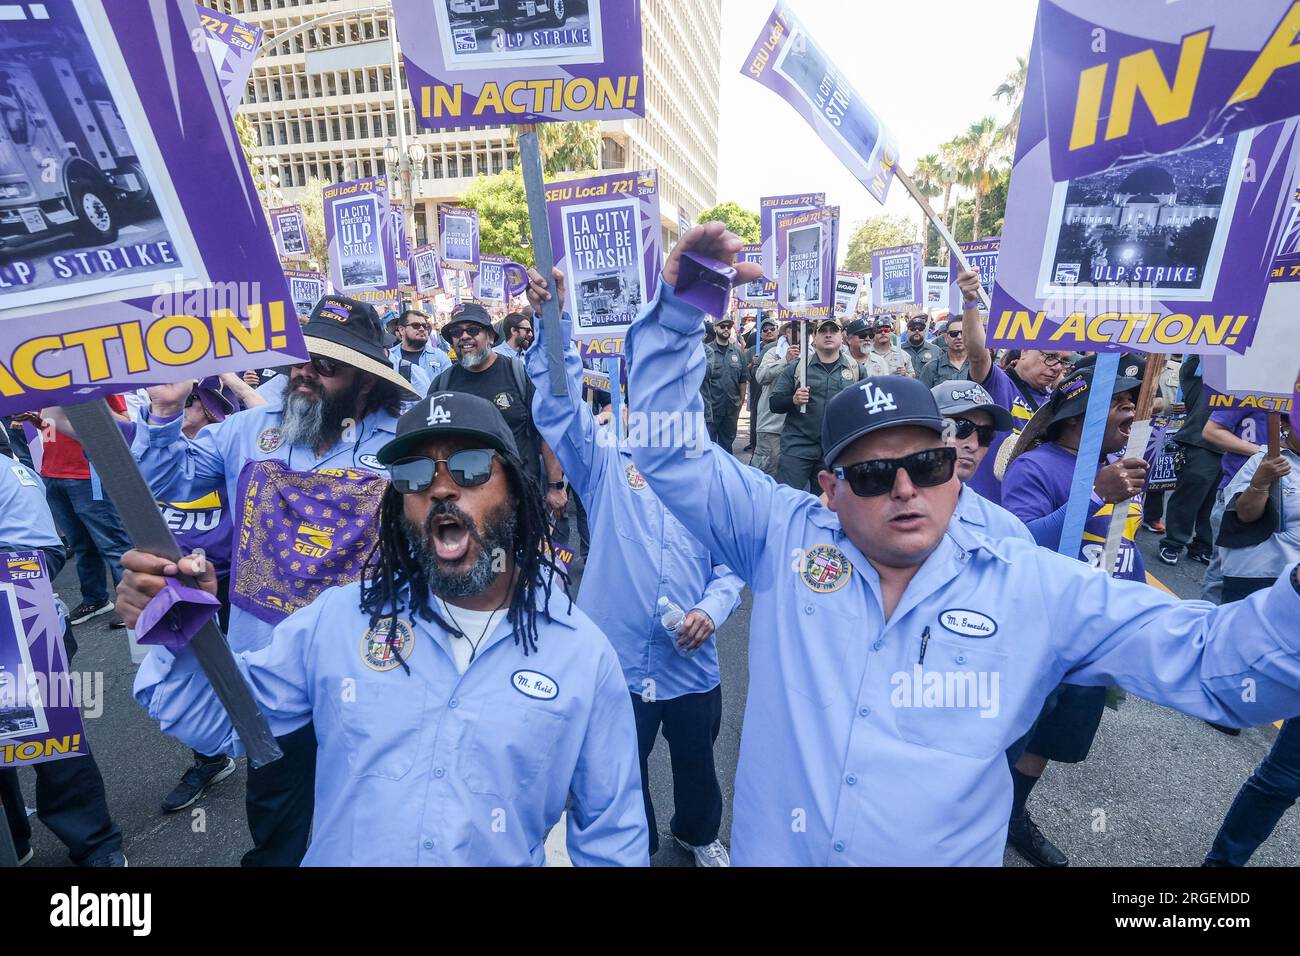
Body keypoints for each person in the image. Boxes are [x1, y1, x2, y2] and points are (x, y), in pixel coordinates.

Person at [624, 222, 1300, 867]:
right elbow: (668, 451)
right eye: (870, 474)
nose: (904, 490)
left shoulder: (1026, 580)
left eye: (925, 466)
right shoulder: (782, 533)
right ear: (829, 488)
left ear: (954, 470)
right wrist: (680, 313)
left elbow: (1222, 672)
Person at [119, 391, 648, 866]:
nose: (441, 488)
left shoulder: (581, 655)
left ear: (514, 487)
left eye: (468, 466)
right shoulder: (339, 620)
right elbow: (217, 721)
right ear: (399, 505)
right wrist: (183, 631)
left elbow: (612, 836)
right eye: (414, 474)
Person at [128, 295, 420, 866]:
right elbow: (165, 481)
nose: (304, 373)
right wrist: (164, 412)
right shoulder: (249, 430)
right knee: (278, 818)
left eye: (326, 365)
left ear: (366, 381)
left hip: (369, 670)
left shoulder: (406, 443)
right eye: (298, 357)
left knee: (374, 815)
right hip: (263, 669)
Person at [523, 267, 743, 865]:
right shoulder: (605, 459)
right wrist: (554, 324)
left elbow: (735, 562)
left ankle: (697, 835)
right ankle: (634, 847)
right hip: (617, 660)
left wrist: (711, 608)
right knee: (621, 770)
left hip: (692, 663)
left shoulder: (719, 474)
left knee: (698, 764)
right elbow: (560, 411)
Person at [999, 366, 1148, 867]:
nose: (1132, 412)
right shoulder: (1037, 466)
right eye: (1120, 403)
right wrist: (1094, 494)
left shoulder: (1120, 464)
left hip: (1094, 635)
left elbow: (1120, 543)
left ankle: (1013, 816)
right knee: (1010, 733)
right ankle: (975, 821)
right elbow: (1018, 543)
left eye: (1133, 402)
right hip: (1040, 633)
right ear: (1077, 417)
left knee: (1049, 737)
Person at [0, 457, 125, 867]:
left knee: (50, 743)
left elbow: (39, 553)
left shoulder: (6, 474)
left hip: (19, 629)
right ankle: (13, 840)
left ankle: (95, 844)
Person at [1202, 427, 1299, 865]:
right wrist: (1262, 481)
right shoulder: (1269, 457)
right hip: (1272, 588)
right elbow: (1240, 518)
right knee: (1281, 779)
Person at [429, 303, 568, 521]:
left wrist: (555, 485)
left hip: (519, 495)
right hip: (464, 501)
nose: (464, 337)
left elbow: (546, 432)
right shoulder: (442, 385)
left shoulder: (519, 374)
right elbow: (432, 445)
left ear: (491, 337)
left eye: (473, 330)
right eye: (456, 333)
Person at [953, 269, 1069, 504]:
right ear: (1025, 349)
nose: (1057, 367)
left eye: (1064, 361)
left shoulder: (1056, 400)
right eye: (1050, 356)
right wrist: (970, 301)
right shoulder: (998, 382)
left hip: (1027, 507)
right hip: (985, 503)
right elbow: (977, 353)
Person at [19, 395, 133, 628]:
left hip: (86, 475)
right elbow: (51, 428)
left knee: (112, 543)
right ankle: (95, 599)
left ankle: (134, 603)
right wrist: (38, 421)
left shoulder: (93, 377)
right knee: (80, 544)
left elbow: (124, 423)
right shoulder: (45, 387)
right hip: (53, 473)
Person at [767, 318, 860, 492]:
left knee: (828, 507)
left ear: (842, 337)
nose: (828, 335)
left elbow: (866, 406)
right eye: (823, 331)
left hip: (835, 449)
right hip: (797, 448)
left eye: (834, 331)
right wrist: (793, 400)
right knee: (787, 501)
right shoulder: (797, 368)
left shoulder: (856, 369)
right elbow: (774, 403)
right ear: (814, 337)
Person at [928, 380, 1026, 540]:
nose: (973, 445)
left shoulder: (1007, 529)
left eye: (985, 434)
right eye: (960, 427)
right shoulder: (879, 511)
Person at [1198, 405, 1271, 604]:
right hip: (1237, 492)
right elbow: (1212, 431)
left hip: (1285, 497)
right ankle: (1210, 628)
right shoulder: (1249, 390)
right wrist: (1264, 453)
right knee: (1223, 572)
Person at [1158, 355, 1220, 567]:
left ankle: (1202, 546)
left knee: (1216, 502)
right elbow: (1192, 364)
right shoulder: (1204, 379)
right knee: (1189, 497)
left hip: (1234, 448)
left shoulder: (1249, 381)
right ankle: (1173, 543)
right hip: (1200, 443)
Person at [752, 320, 794, 477]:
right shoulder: (773, 352)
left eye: (804, 330)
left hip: (798, 429)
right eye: (792, 330)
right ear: (785, 333)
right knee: (765, 475)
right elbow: (761, 376)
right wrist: (785, 361)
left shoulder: (813, 353)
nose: (797, 334)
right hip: (772, 426)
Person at [700, 314, 746, 454]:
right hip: (712, 409)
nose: (726, 329)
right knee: (709, 447)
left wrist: (740, 402)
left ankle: (726, 475)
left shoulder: (738, 353)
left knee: (727, 447)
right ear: (715, 328)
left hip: (731, 409)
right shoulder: (706, 352)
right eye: (722, 326)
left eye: (729, 326)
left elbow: (742, 380)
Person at [389, 309, 452, 383]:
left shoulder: (440, 356)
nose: (422, 329)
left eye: (425, 326)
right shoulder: (390, 356)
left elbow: (450, 386)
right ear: (402, 330)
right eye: (416, 325)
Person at [917, 316, 971, 388]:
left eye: (963, 333)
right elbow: (923, 396)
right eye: (953, 333)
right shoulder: (932, 367)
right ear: (946, 338)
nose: (959, 337)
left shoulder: (978, 365)